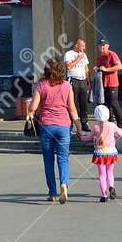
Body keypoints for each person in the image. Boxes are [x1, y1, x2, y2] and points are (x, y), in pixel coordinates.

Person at [34, 58, 81, 204]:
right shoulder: (67, 86)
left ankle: (52, 192)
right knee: (63, 158)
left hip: (46, 126)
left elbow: (33, 107)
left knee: (48, 160)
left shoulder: (41, 85)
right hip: (63, 126)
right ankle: (64, 184)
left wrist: (34, 112)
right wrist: (79, 127)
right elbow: (72, 108)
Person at [79, 104, 122, 202]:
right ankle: (111, 186)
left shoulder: (95, 127)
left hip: (100, 153)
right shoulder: (112, 125)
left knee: (102, 174)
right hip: (111, 152)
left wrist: (80, 136)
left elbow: (87, 138)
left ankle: (104, 195)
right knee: (110, 172)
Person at [96, 40, 122, 123]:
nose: (102, 47)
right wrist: (96, 68)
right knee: (106, 105)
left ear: (108, 46)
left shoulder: (112, 54)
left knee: (114, 103)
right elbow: (99, 68)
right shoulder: (99, 58)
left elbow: (119, 66)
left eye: (104, 45)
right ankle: (109, 123)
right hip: (103, 84)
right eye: (100, 45)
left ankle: (121, 124)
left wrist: (106, 69)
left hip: (112, 83)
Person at [63, 38, 90, 120]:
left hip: (83, 80)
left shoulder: (84, 55)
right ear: (76, 45)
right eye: (82, 46)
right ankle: (69, 124)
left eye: (84, 46)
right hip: (73, 80)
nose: (84, 48)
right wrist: (78, 58)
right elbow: (69, 66)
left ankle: (84, 123)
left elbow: (86, 68)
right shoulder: (69, 54)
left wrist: (88, 82)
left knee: (84, 103)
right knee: (72, 102)